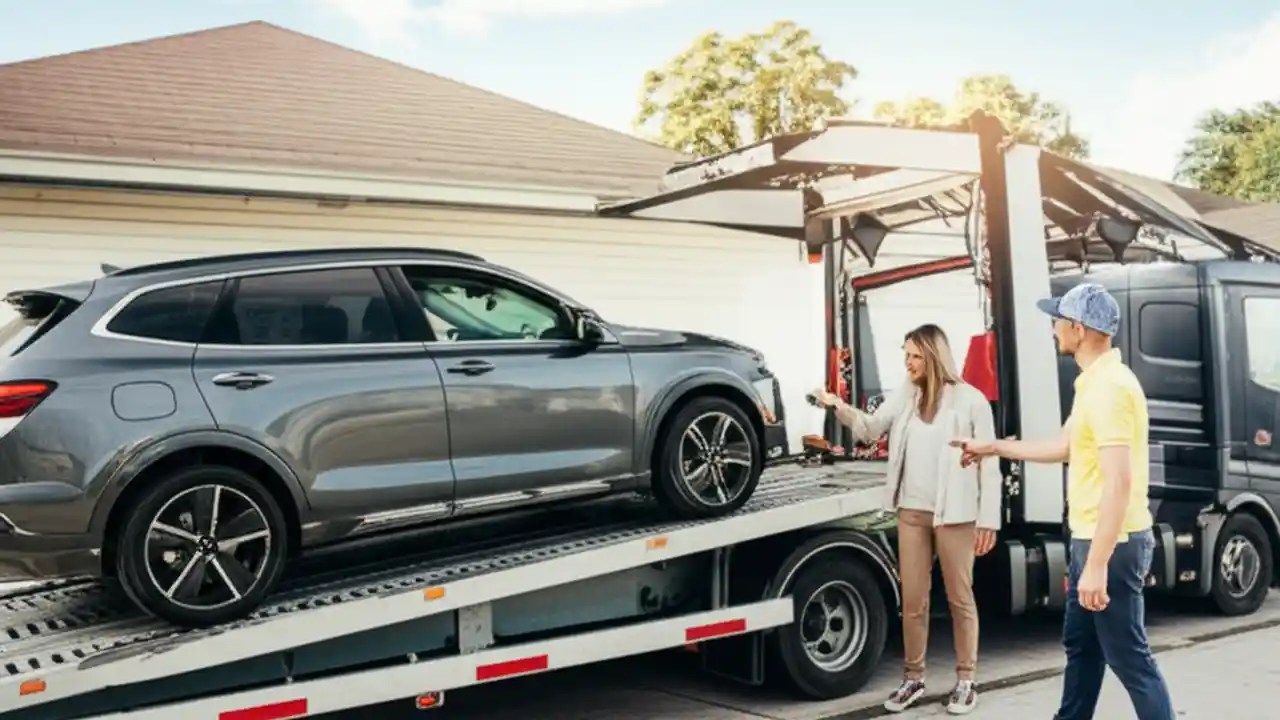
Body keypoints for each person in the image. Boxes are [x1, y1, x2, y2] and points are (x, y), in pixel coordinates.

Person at [952, 282, 1175, 720]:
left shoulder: (1111, 388)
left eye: (1058, 320)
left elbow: (1119, 482)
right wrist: (993, 447)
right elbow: (1064, 446)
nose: (1053, 328)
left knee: (1130, 658)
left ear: (1078, 327)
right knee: (1082, 648)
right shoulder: (1092, 383)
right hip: (1090, 540)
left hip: (1110, 544)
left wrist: (1095, 565)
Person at [813, 323, 1000, 715]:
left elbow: (989, 465)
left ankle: (966, 681)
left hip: (956, 515)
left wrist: (989, 520)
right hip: (912, 511)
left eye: (915, 356)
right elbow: (869, 429)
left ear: (933, 357)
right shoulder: (906, 396)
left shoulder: (971, 401)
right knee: (913, 600)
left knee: (959, 598)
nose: (908, 363)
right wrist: (835, 404)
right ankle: (913, 679)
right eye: (906, 355)